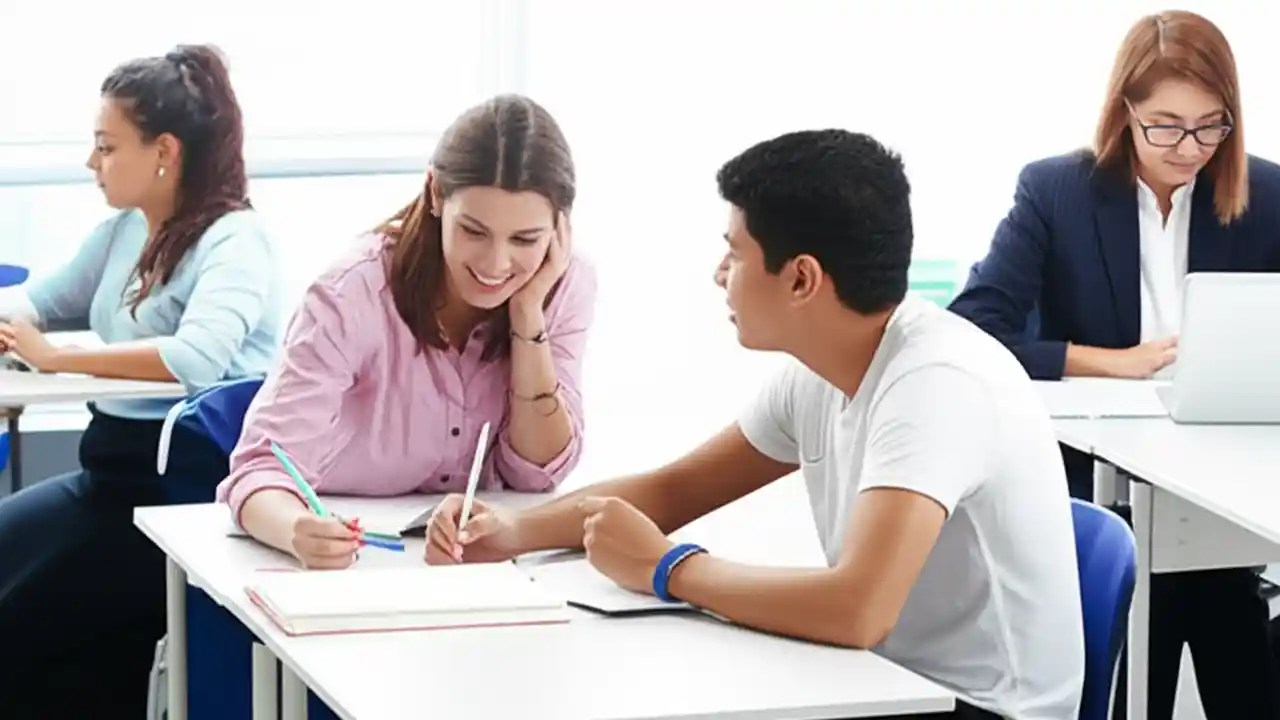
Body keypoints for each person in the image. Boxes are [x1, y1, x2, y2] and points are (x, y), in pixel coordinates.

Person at [425, 129, 1084, 719]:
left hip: (978, 708)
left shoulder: (935, 385)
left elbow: (858, 610)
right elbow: (671, 490)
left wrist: (668, 568)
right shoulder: (826, 369)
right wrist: (513, 531)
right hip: (883, 686)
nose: (719, 276)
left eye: (733, 254)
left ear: (802, 279)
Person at [948, 11, 1280, 720]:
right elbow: (974, 327)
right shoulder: (1057, 191)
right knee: (1137, 666)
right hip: (1101, 488)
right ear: (1124, 111)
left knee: (1241, 663)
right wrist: (1108, 363)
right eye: (1165, 124)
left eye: (1210, 124)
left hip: (1216, 490)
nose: (1189, 146)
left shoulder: (1266, 195)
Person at [0, 45, 282, 718]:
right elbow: (41, 301)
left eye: (106, 147)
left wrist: (57, 359)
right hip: (107, 478)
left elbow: (195, 359)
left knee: (17, 629)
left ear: (164, 151)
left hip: (182, 500)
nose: (91, 164)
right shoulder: (124, 231)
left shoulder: (236, 242)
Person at [217, 94, 595, 571]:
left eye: (525, 239)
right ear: (435, 193)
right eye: (474, 232)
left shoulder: (563, 283)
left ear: (560, 227)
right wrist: (297, 530)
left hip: (473, 565)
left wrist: (527, 317)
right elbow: (261, 469)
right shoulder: (352, 293)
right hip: (354, 557)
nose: (497, 264)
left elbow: (536, 472)